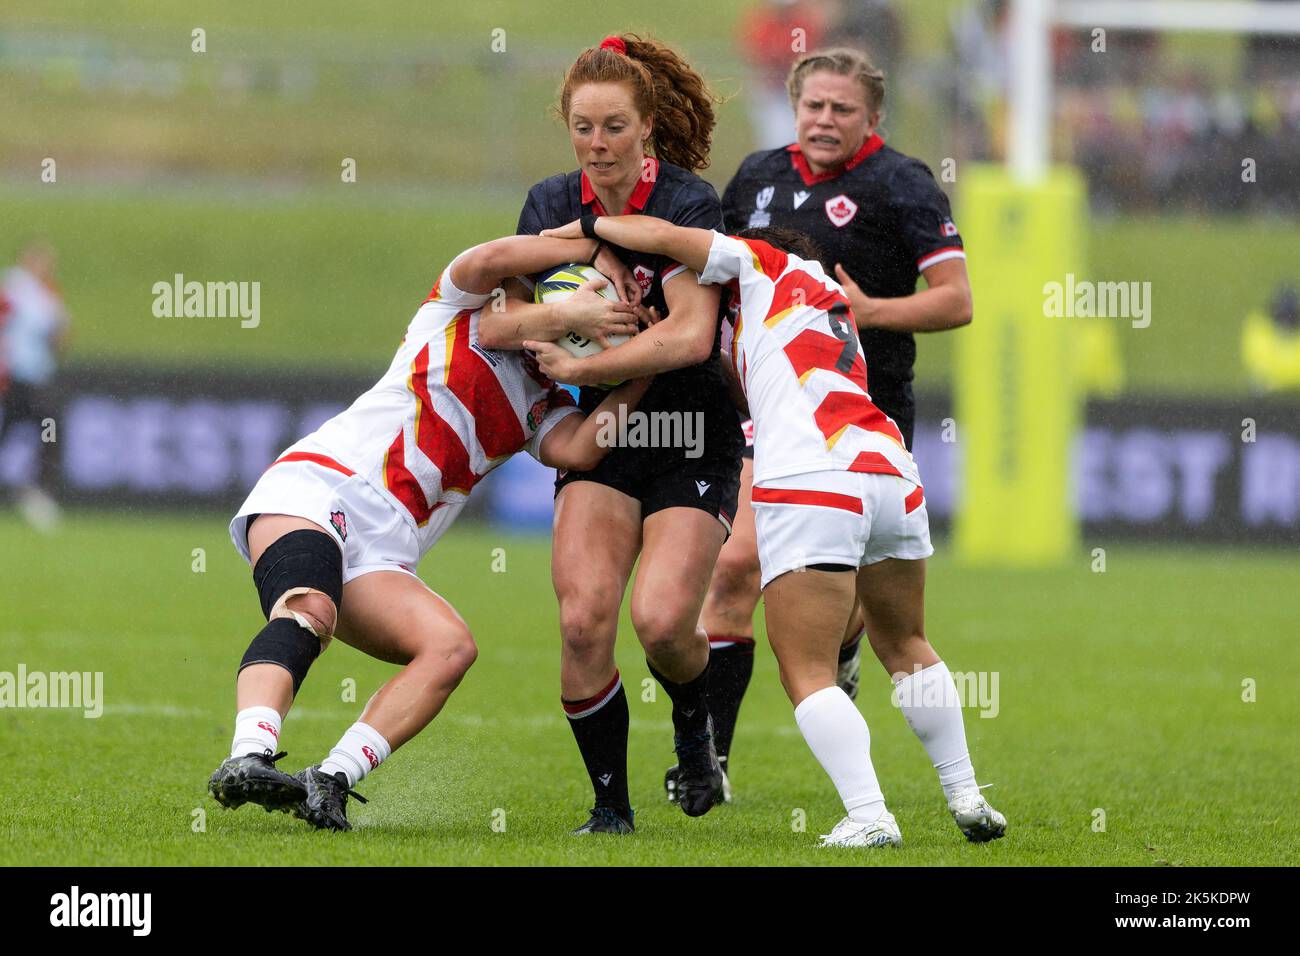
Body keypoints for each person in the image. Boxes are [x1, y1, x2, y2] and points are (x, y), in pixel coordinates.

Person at [528, 212, 1007, 846]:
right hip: (889, 468)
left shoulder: (761, 262)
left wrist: (594, 225)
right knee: (906, 644)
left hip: (814, 477)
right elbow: (750, 388)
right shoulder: (821, 306)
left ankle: (869, 815)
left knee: (805, 670)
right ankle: (968, 797)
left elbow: (672, 238)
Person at [207, 231, 649, 831]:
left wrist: (645, 366)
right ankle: (247, 757)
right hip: (322, 486)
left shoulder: (543, 401)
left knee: (450, 647)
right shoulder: (460, 309)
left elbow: (580, 449)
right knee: (309, 609)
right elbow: (490, 260)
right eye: (581, 312)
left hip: (388, 549)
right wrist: (593, 253)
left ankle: (330, 780)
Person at [666, 47, 976, 802]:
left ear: (871, 117)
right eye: (813, 107)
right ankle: (715, 767)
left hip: (865, 419)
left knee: (867, 614)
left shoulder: (901, 184)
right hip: (771, 417)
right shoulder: (758, 178)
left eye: (842, 109)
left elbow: (955, 299)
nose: (825, 121)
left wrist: (872, 313)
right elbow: (720, 276)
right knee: (736, 567)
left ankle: (843, 662)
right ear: (794, 107)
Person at [481, 34, 744, 834]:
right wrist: (571, 315)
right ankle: (610, 812)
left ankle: (693, 728)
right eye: (584, 127)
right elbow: (500, 322)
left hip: (692, 425)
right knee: (583, 618)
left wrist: (592, 358)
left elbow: (692, 337)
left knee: (665, 622)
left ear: (649, 126)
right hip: (606, 433)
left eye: (615, 127)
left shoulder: (691, 204)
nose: (598, 145)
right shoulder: (549, 203)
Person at [0, 240, 69, 531]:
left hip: (36, 376)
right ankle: (37, 490)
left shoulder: (46, 293)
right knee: (49, 425)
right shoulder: (16, 286)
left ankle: (37, 490)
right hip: (18, 377)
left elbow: (60, 336)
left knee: (43, 429)